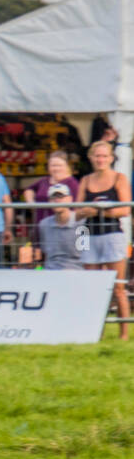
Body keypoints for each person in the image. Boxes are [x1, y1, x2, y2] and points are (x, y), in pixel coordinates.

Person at [74, 140, 131, 340]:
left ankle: (124, 334)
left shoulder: (119, 179)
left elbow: (125, 209)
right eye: (97, 156)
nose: (100, 159)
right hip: (88, 235)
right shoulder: (85, 181)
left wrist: (102, 211)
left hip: (112, 235)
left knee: (118, 287)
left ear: (111, 158)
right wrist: (87, 211)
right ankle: (93, 332)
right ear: (91, 158)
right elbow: (77, 212)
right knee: (92, 287)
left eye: (104, 156)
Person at [36, 182, 85, 270]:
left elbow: (87, 253)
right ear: (49, 201)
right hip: (50, 271)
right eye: (53, 197)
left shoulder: (82, 222)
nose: (57, 200)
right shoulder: (44, 224)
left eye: (61, 196)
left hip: (77, 271)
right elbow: (45, 254)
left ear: (70, 199)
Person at [22, 150, 79, 226]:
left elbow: (76, 207)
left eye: (59, 165)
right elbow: (29, 190)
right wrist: (31, 203)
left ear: (66, 166)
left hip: (61, 226)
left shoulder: (72, 183)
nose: (56, 168)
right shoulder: (44, 181)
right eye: (53, 165)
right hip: (40, 225)